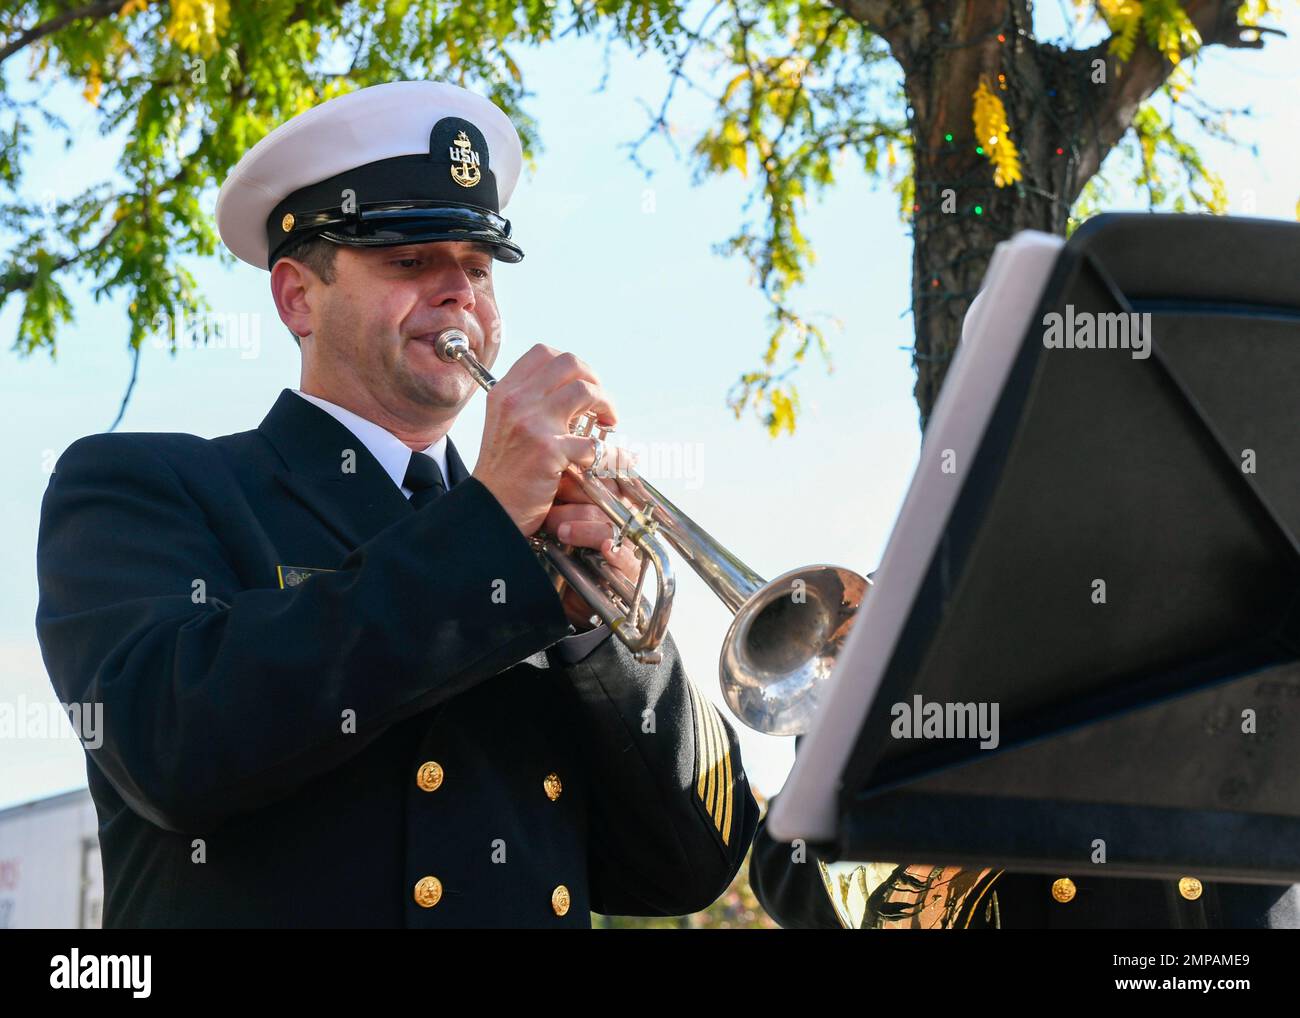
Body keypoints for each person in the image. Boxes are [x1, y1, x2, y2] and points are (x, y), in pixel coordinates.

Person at [35, 80, 759, 928]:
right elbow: (172, 746)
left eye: (479, 269)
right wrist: (486, 530)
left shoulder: (542, 555)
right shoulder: (147, 487)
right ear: (297, 296)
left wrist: (607, 627)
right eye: (411, 262)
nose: (460, 295)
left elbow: (691, 870)